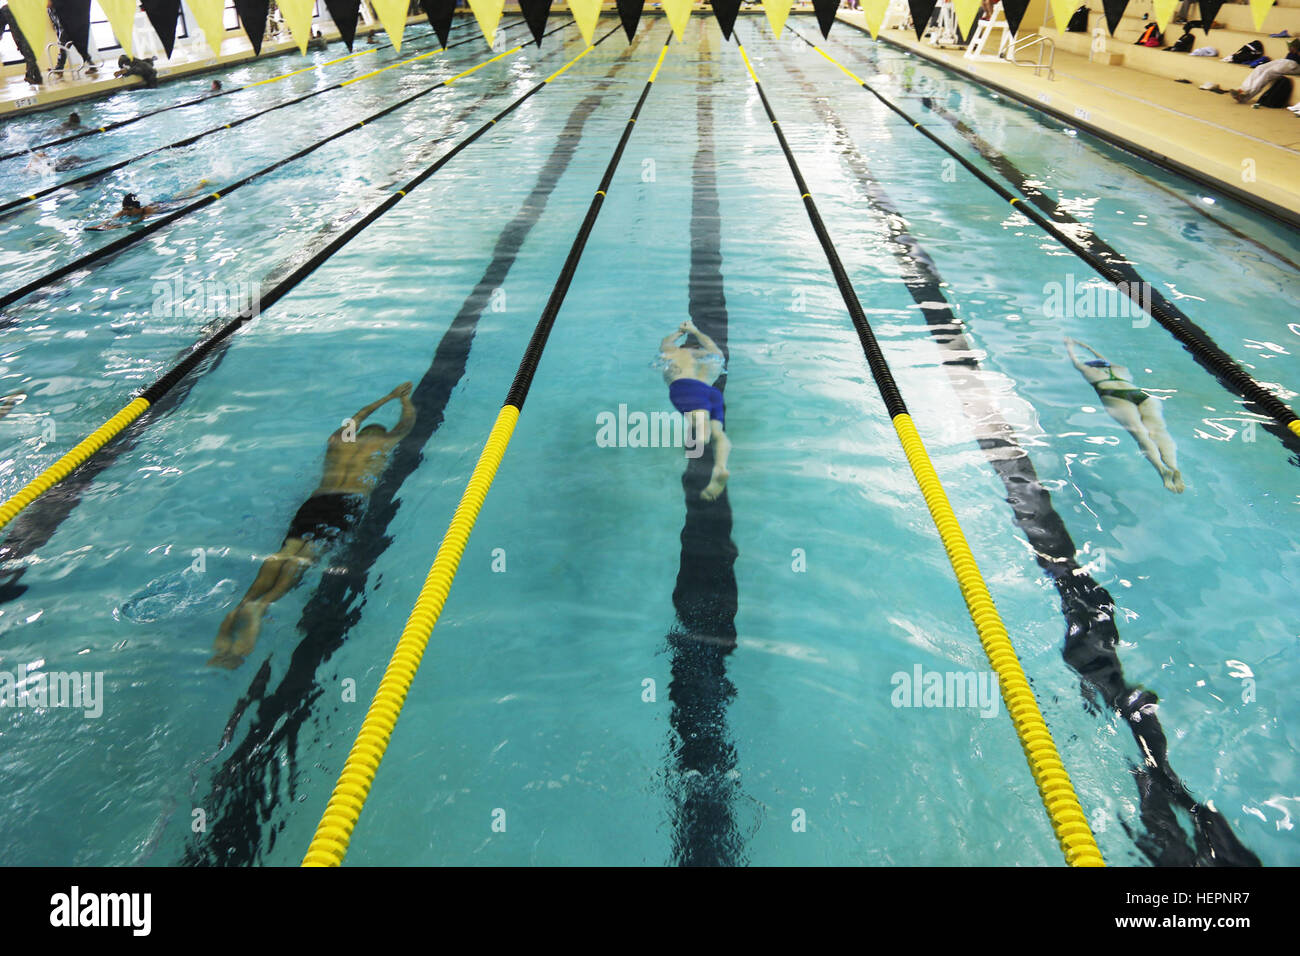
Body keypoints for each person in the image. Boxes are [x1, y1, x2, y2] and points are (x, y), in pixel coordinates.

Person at [209, 383, 416, 668]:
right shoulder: (383, 444)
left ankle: (243, 605)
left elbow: (354, 419)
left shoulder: (339, 443)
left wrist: (384, 398)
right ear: (379, 435)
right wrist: (403, 401)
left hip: (316, 500)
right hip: (347, 504)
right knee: (304, 557)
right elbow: (406, 426)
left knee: (286, 551)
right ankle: (264, 604)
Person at [1066, 338, 1184, 493]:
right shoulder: (1120, 369)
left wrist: (1070, 347)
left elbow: (1074, 361)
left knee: (1140, 434)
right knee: (1160, 432)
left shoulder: (1088, 371)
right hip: (1142, 396)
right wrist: (1087, 346)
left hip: (1115, 396)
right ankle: (1174, 466)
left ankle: (1161, 468)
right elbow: (1105, 359)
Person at [659, 319, 731, 501]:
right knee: (718, 433)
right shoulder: (711, 355)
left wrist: (679, 331)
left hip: (686, 387)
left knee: (702, 433)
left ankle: (700, 444)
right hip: (712, 392)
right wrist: (695, 330)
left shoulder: (674, 352)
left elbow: (665, 342)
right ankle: (720, 466)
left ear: (684, 346)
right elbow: (710, 343)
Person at [85, 181, 211, 230]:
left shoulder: (147, 210)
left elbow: (140, 221)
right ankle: (197, 185)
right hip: (160, 203)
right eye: (124, 208)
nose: (126, 212)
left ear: (138, 208)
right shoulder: (124, 212)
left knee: (185, 198)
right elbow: (110, 219)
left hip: (164, 208)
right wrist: (100, 226)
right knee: (175, 196)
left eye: (129, 209)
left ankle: (201, 186)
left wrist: (117, 227)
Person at [1230, 38, 1300, 103]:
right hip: (1285, 60)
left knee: (1268, 73)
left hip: (1295, 65)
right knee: (1259, 68)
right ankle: (1242, 90)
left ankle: (1245, 96)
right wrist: (1292, 48)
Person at [0, 1, 44, 85]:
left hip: (22, 36)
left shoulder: (6, 9)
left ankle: (34, 77)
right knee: (30, 56)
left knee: (29, 56)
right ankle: (34, 76)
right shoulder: (10, 9)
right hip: (23, 35)